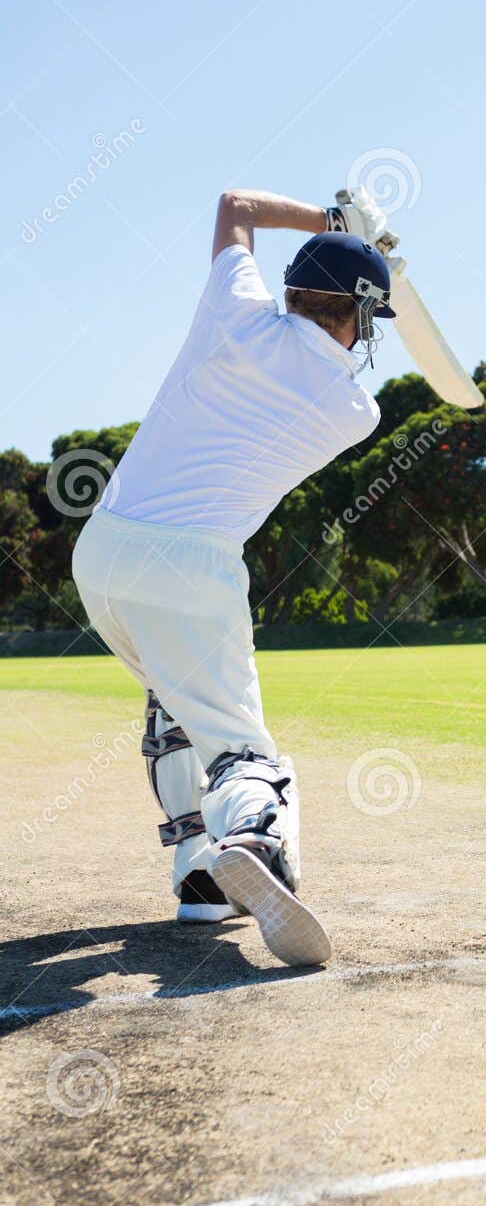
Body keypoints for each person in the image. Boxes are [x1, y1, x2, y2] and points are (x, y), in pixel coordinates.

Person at [72, 187, 393, 965]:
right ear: (353, 317)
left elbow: (234, 205)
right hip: (193, 567)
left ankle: (199, 880)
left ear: (293, 291)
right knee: (243, 753)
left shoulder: (235, 313)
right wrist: (382, 266)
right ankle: (254, 835)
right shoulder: (354, 412)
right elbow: (350, 343)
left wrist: (328, 223)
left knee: (173, 706)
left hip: (101, 555)